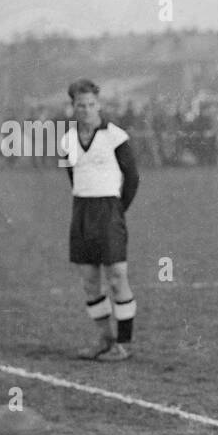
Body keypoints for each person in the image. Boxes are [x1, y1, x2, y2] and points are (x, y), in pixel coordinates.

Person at [63, 79, 140, 362]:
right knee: (89, 281)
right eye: (80, 106)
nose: (86, 110)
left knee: (118, 277)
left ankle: (124, 343)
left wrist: (119, 210)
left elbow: (132, 178)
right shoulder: (67, 139)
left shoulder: (115, 136)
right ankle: (103, 339)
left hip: (109, 212)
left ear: (99, 105)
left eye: (91, 105)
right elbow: (72, 176)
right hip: (81, 211)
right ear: (73, 107)